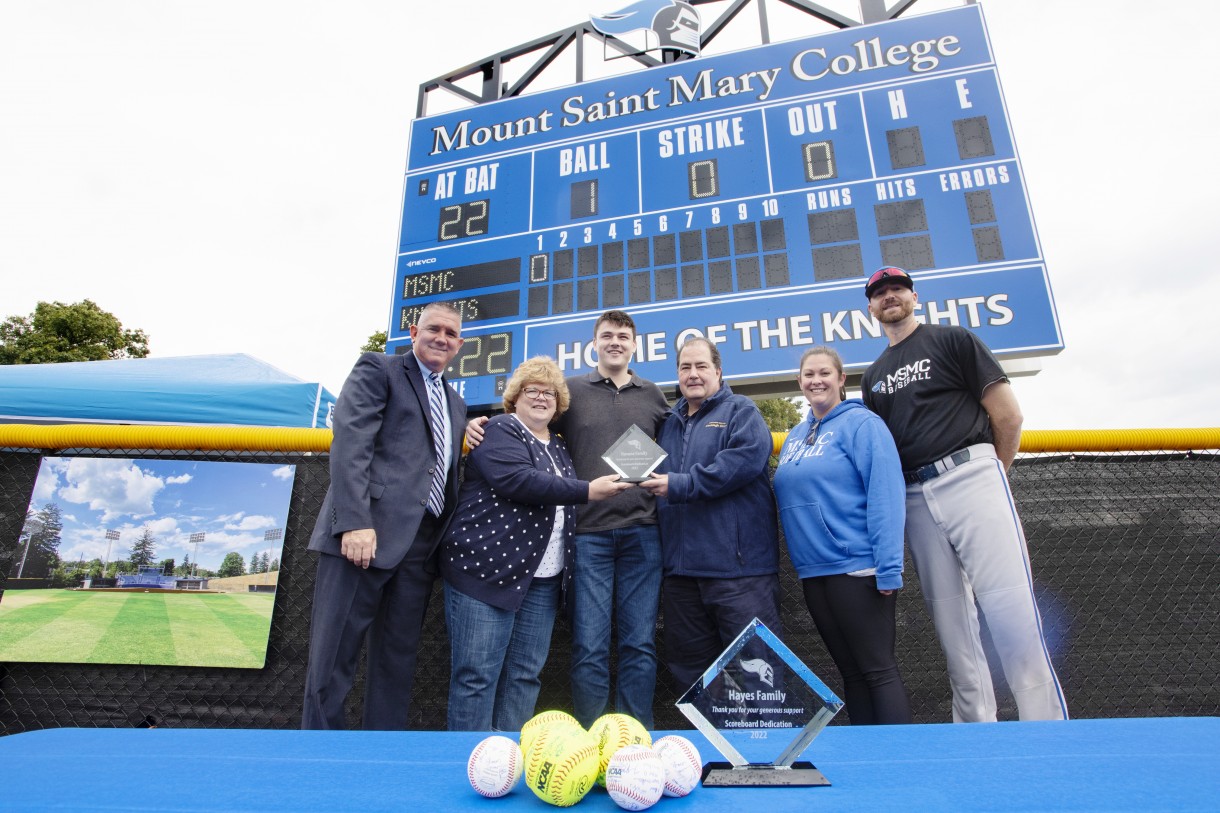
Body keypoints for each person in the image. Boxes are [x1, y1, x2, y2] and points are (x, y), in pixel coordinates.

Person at [861, 266, 1068, 723]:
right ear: (870, 307)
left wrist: (992, 471)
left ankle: (1045, 732)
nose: (889, 296)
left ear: (914, 296)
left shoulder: (953, 339)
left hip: (970, 473)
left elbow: (1008, 416)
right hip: (914, 494)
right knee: (952, 627)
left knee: (1011, 611)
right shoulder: (873, 377)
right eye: (879, 292)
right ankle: (976, 733)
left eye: (897, 288)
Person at [468, 310, 669, 728]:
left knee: (639, 645)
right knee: (589, 647)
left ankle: (635, 740)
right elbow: (528, 420)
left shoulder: (653, 394)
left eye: (623, 337)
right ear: (594, 344)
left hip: (643, 533)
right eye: (607, 335)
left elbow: (681, 439)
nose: (615, 342)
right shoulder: (570, 392)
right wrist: (470, 424)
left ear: (635, 345)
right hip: (587, 535)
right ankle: (592, 740)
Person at [301, 302, 467, 730]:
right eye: (433, 329)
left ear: (459, 344)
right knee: (333, 659)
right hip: (364, 535)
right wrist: (354, 521)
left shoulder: (455, 402)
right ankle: (320, 756)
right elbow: (351, 443)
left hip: (420, 547)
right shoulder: (379, 368)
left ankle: (382, 754)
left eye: (451, 334)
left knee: (397, 663)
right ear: (413, 332)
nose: (441, 338)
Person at [441, 357, 630, 732]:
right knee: (477, 677)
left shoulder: (558, 445)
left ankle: (509, 756)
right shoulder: (499, 429)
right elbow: (519, 480)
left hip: (542, 579)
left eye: (550, 393)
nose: (541, 397)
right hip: (487, 572)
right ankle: (471, 759)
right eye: (532, 390)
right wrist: (588, 491)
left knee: (524, 675)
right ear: (515, 396)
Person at [773, 346, 912, 725]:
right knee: (851, 672)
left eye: (824, 373)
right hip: (814, 572)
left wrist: (889, 567)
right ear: (799, 381)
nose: (816, 380)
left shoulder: (863, 425)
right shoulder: (796, 435)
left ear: (840, 379)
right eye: (808, 374)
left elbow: (886, 495)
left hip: (857, 567)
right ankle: (869, 757)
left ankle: (902, 756)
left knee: (878, 670)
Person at [640, 337, 781, 690]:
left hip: (739, 575)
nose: (693, 374)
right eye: (685, 367)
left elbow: (740, 464)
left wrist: (680, 484)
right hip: (681, 576)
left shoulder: (741, 411)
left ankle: (765, 731)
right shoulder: (668, 423)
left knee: (760, 677)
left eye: (701, 366)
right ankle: (715, 731)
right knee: (696, 681)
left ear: (718, 371)